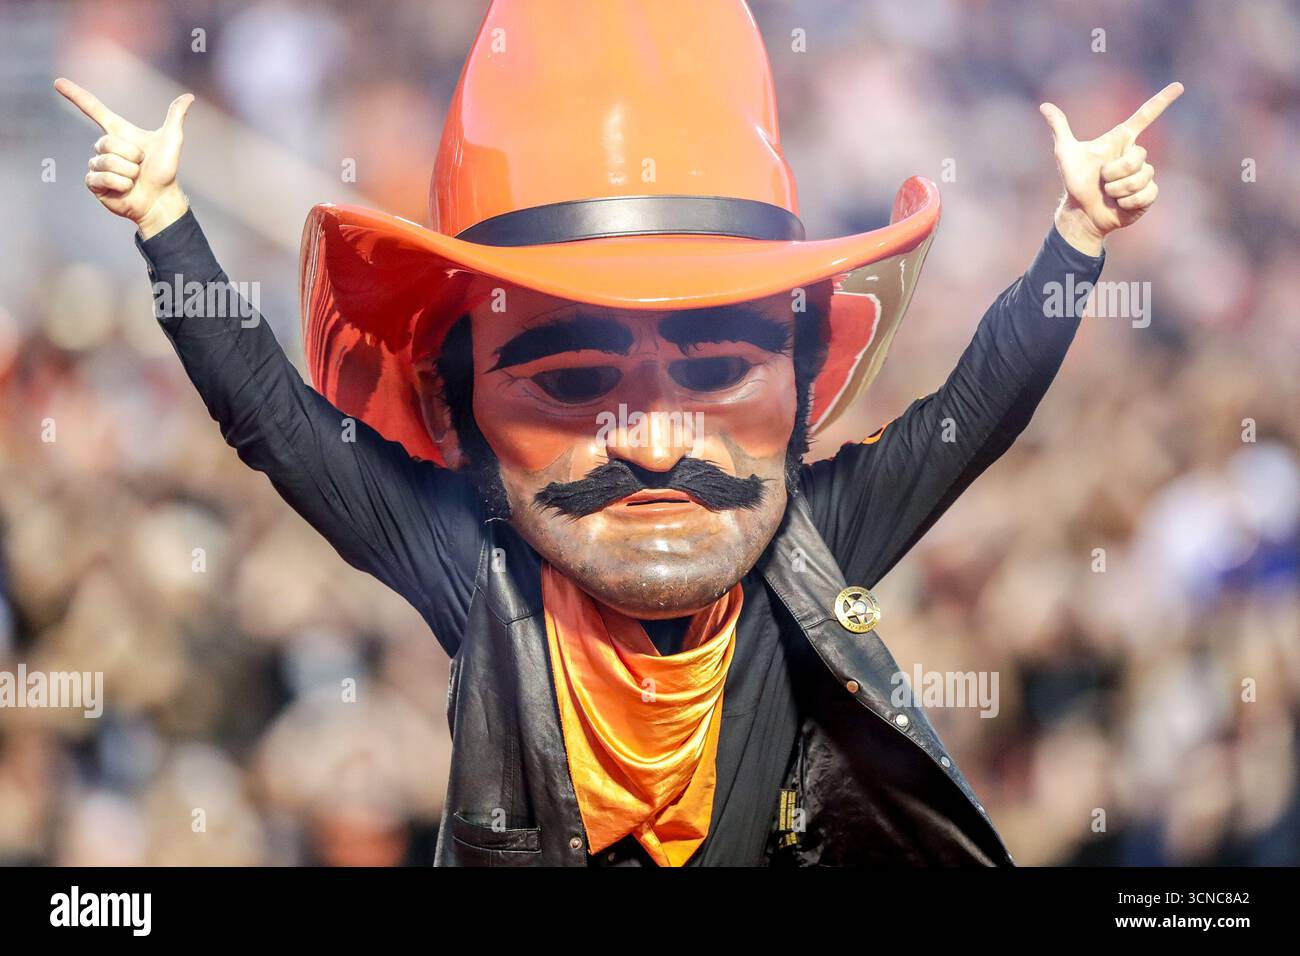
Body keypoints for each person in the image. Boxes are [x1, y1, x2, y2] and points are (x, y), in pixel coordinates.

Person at [54, 0, 1180, 866]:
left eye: (713, 374)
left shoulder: (812, 548)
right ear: (465, 409)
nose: (649, 444)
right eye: (576, 385)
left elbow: (972, 417)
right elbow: (277, 424)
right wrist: (166, 224)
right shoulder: (481, 570)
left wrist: (1076, 240)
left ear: (798, 384)